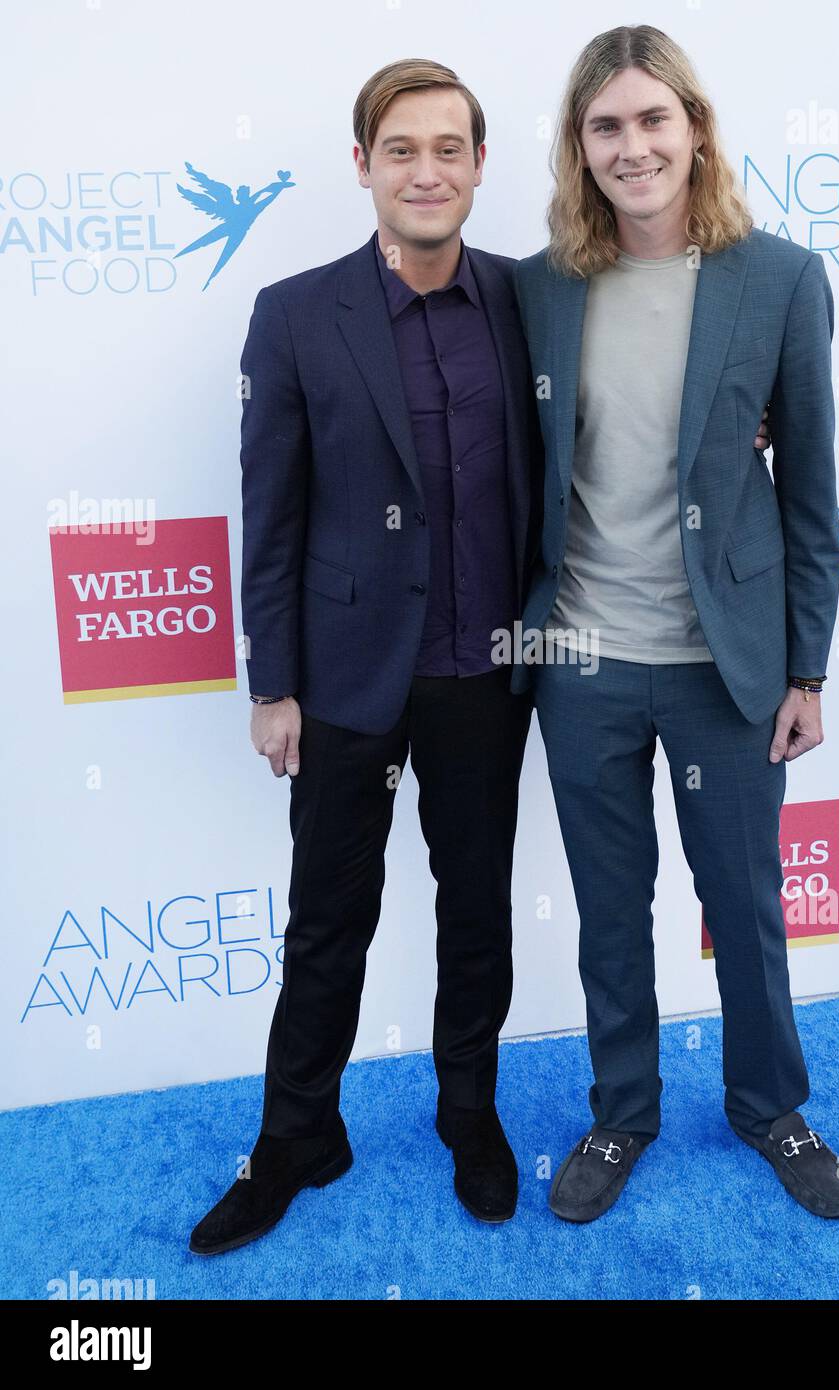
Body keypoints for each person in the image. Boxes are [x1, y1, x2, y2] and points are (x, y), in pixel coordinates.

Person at [190, 58, 545, 1253]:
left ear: (480, 164)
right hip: (343, 675)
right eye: (401, 148)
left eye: (449, 147)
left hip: (485, 672)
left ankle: (469, 1112)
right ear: (362, 166)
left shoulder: (526, 300)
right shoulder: (294, 313)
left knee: (475, 910)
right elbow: (270, 509)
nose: (427, 169)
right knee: (326, 916)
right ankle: (297, 1134)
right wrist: (270, 683)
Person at [510, 24, 839, 1223]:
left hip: (727, 665)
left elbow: (809, 488)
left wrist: (805, 665)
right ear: (579, 146)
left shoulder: (777, 278)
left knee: (745, 904)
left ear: (694, 128)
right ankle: (621, 1115)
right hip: (580, 660)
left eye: (653, 118)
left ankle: (769, 1107)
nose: (632, 144)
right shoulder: (537, 287)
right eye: (605, 125)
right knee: (609, 908)